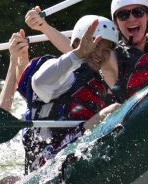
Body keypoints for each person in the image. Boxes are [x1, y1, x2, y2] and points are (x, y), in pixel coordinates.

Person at [18, 16, 121, 171]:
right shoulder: (63, 71)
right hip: (47, 160)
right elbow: (39, 82)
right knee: (113, 110)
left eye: (106, 50)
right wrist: (78, 53)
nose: (100, 54)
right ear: (78, 43)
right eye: (96, 45)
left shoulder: (99, 83)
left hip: (76, 152)